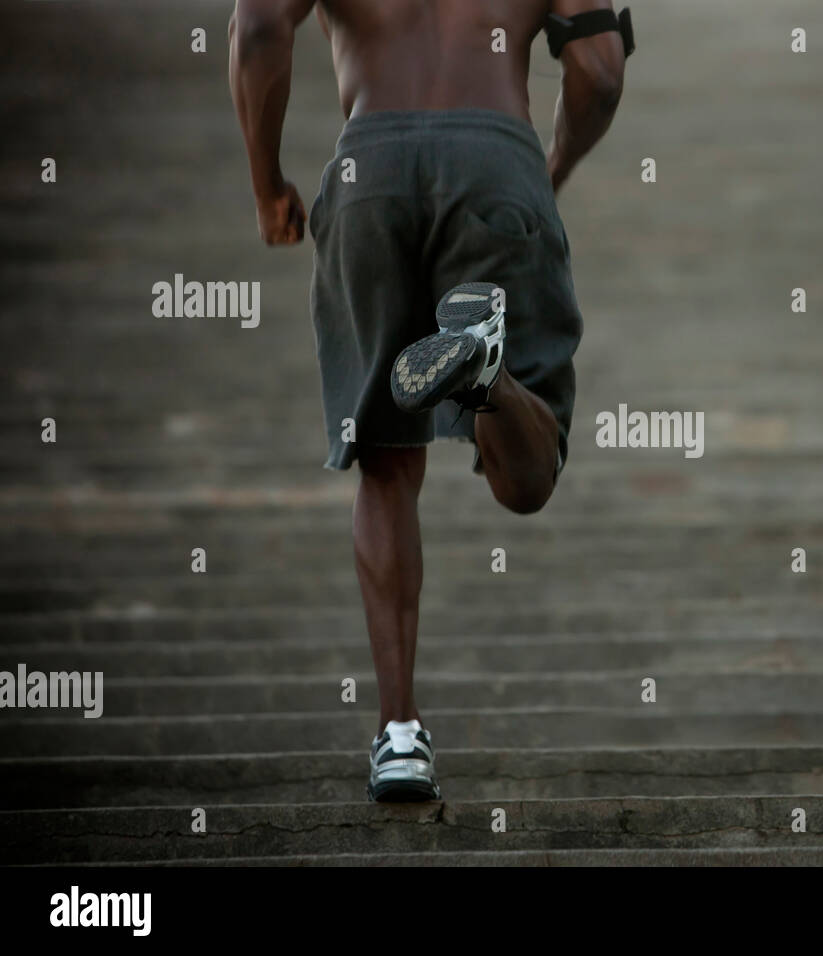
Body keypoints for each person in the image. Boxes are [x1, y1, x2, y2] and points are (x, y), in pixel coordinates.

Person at [228, 0, 628, 800]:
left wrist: (268, 183)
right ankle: (489, 374)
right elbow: (598, 67)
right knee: (529, 477)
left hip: (367, 170)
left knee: (385, 467)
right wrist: (547, 165)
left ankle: (399, 735)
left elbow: (258, 28)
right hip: (496, 158)